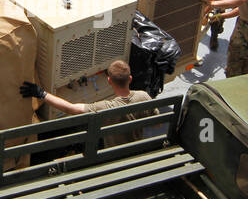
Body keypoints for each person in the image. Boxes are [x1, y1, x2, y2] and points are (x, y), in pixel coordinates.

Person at [19, 60, 152, 145]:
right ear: (130, 78)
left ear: (109, 81)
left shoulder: (106, 107)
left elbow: (71, 109)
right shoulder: (144, 96)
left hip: (114, 159)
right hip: (137, 151)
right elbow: (157, 124)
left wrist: (41, 93)